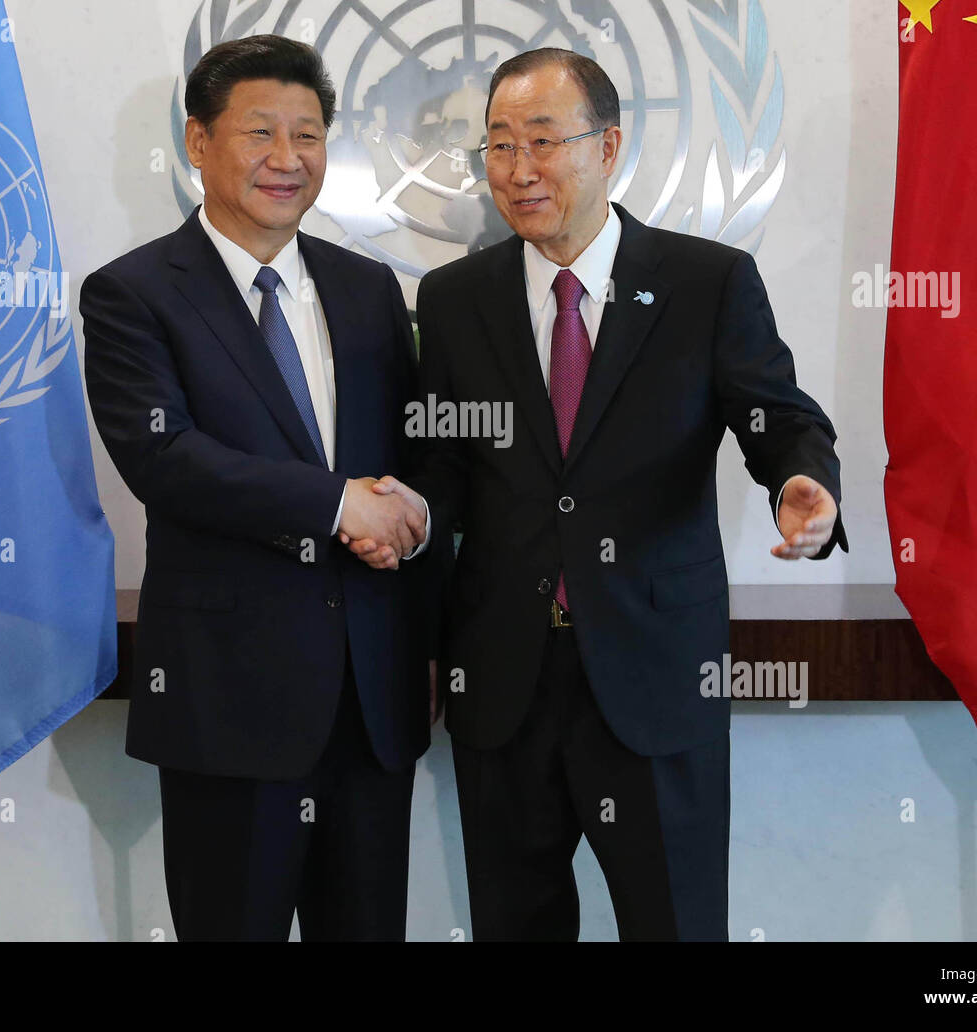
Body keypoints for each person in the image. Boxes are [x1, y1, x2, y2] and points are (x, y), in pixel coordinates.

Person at [347, 47, 847, 940]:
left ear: (609, 145)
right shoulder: (459, 300)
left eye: (544, 140)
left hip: (652, 672)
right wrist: (408, 522)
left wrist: (801, 480)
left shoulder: (707, 281)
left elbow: (773, 412)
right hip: (502, 679)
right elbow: (445, 467)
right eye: (499, 146)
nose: (519, 169)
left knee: (677, 924)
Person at [79, 34, 439, 941]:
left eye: (309, 135)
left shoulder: (367, 289)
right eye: (260, 133)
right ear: (198, 143)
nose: (288, 159)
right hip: (228, 703)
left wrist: (414, 515)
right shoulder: (132, 295)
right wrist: (337, 506)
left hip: (370, 702)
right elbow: (166, 459)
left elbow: (413, 451)